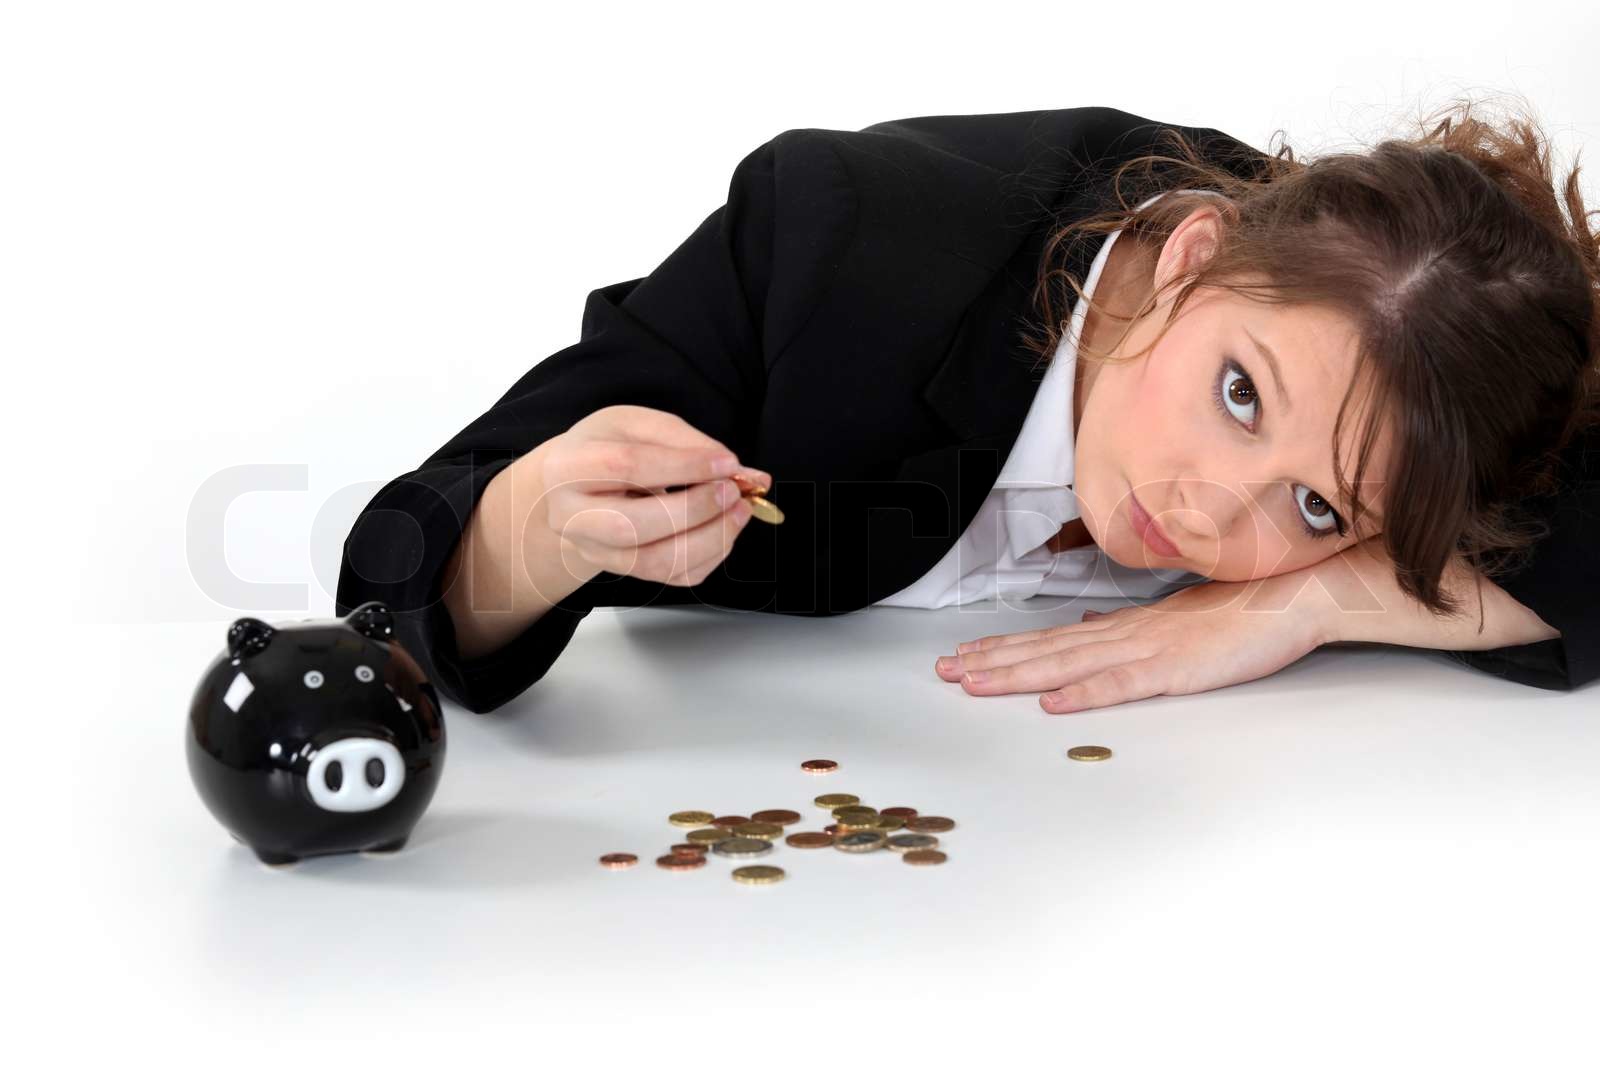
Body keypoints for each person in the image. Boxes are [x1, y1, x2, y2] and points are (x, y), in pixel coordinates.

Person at [336, 100, 1600, 716]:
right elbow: (391, 577)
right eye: (1235, 393)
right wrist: (523, 537)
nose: (1213, 509)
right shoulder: (831, 247)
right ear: (1192, 257)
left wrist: (1308, 599)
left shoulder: (1410, 371)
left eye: (1316, 504)